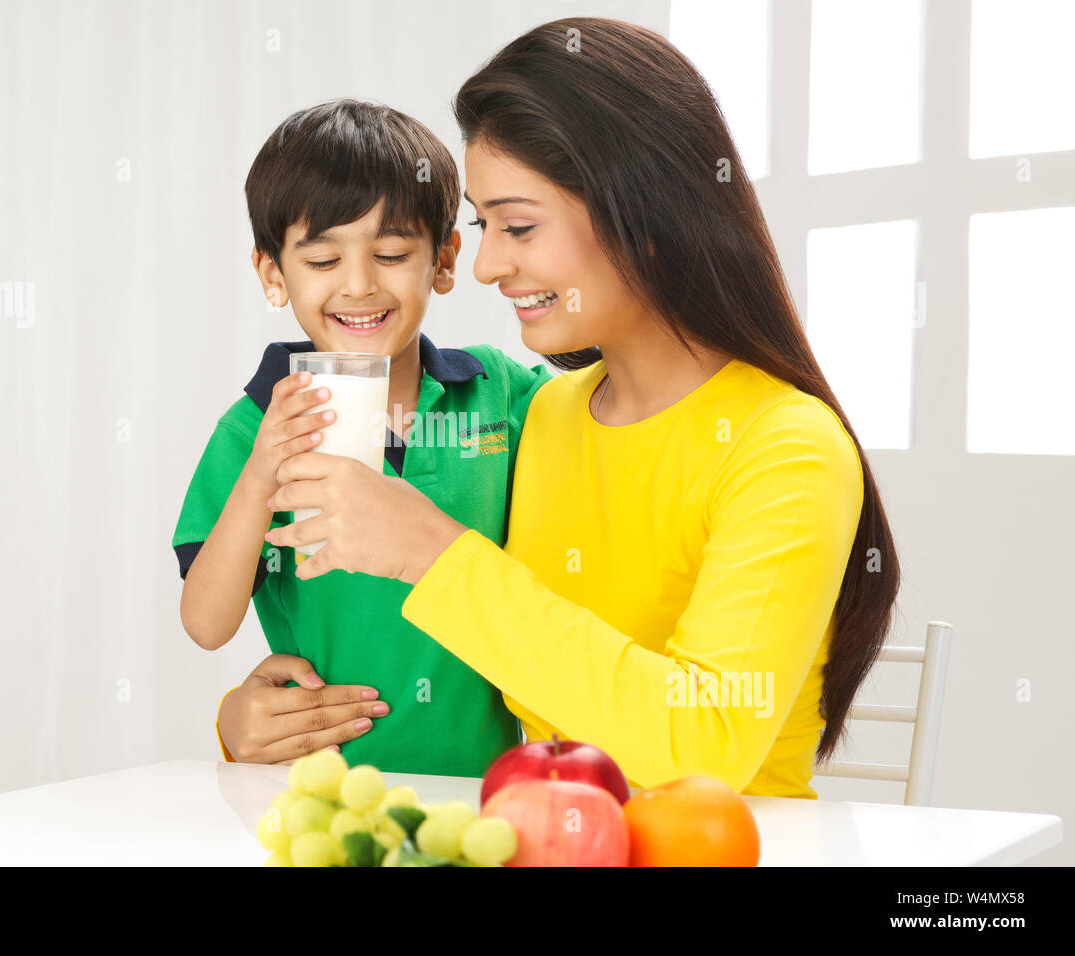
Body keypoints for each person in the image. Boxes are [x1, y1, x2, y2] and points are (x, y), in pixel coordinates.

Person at [250, 20, 902, 799]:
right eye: (483, 227)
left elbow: (701, 747)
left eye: (519, 225)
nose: (488, 264)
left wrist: (435, 551)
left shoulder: (784, 448)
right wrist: (259, 716)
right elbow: (483, 666)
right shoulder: (547, 414)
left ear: (647, 212)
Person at [173, 99, 551, 775]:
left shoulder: (497, 393)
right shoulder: (252, 430)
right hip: (317, 787)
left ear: (443, 259)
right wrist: (263, 475)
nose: (358, 284)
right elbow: (206, 624)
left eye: (391, 253)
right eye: (321, 259)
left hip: (486, 793)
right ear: (271, 273)